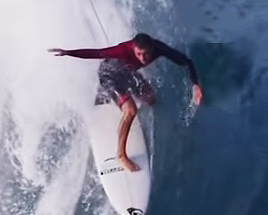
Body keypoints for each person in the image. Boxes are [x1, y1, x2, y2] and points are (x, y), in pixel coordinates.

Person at [50, 33, 203, 173]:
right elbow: (95, 53)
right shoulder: (122, 50)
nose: (143, 58)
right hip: (109, 76)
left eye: (146, 54)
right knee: (130, 110)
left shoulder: (159, 48)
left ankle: (119, 100)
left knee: (151, 99)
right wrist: (68, 52)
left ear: (152, 48)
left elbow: (186, 61)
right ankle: (121, 155)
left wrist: (195, 85)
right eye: (139, 54)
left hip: (127, 73)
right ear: (133, 49)